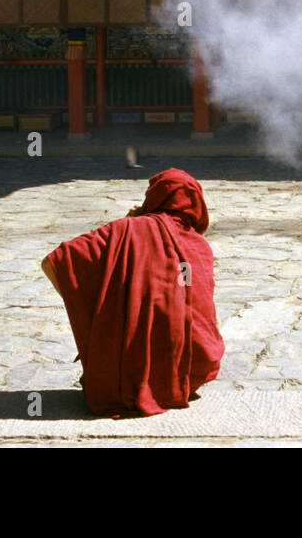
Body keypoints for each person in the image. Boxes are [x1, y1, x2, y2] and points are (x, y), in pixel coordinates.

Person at [41, 168, 224, 417]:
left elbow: (52, 264)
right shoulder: (200, 247)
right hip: (195, 369)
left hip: (131, 378)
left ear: (154, 198)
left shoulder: (124, 231)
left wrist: (97, 312)